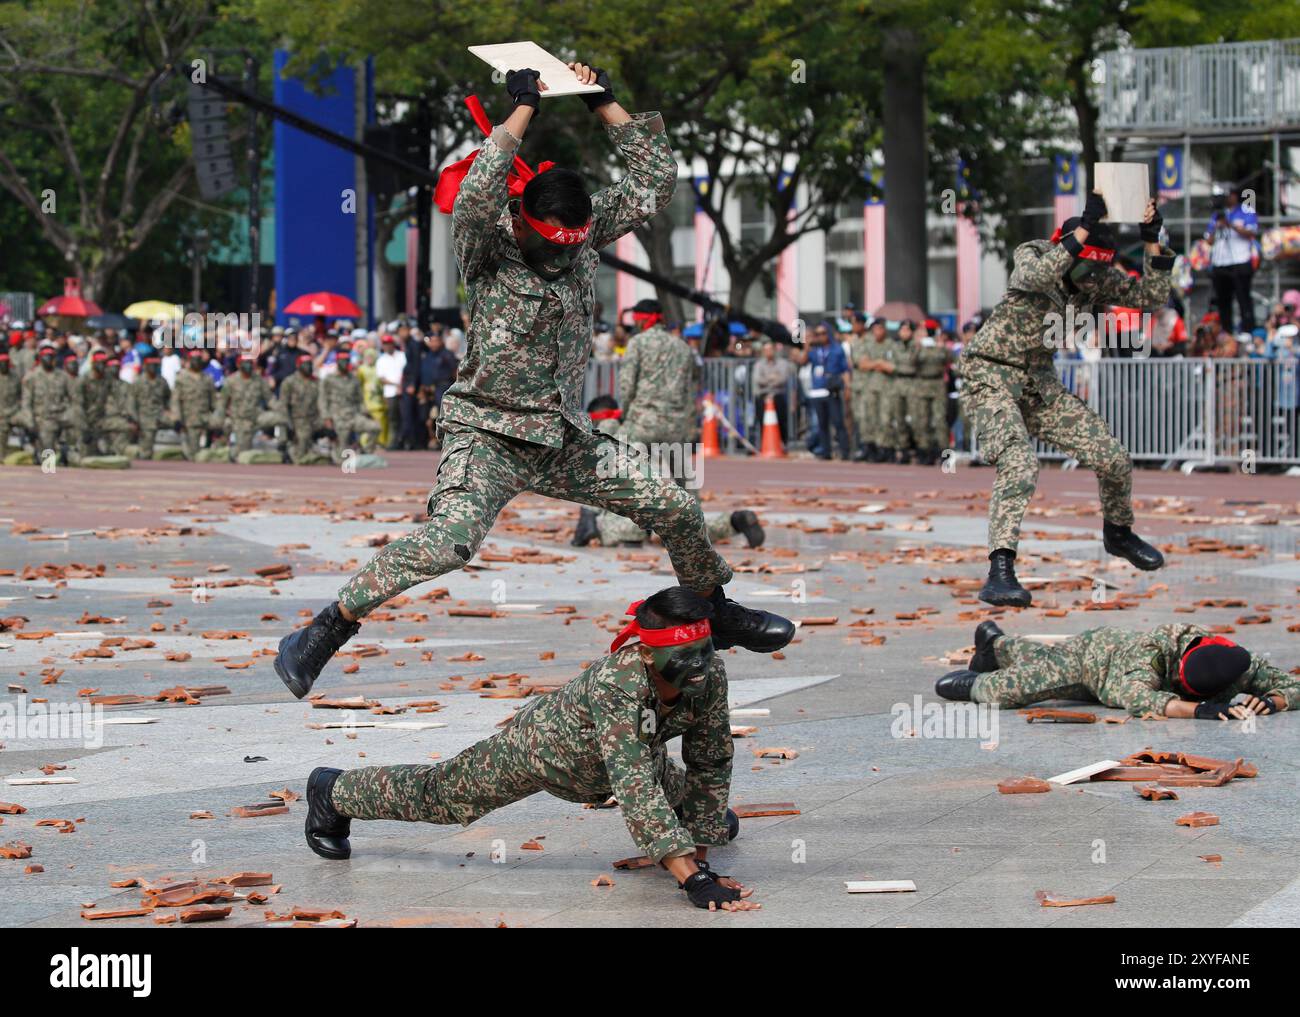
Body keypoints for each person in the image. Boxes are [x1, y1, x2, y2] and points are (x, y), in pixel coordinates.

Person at [273, 61, 793, 700]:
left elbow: (655, 181)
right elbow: (474, 194)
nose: (559, 257)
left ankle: (716, 610)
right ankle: (322, 632)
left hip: (560, 435)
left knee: (674, 504)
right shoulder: (488, 244)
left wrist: (603, 102)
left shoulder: (580, 236)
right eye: (548, 245)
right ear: (522, 221)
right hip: (486, 431)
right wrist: (522, 108)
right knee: (449, 544)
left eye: (569, 247)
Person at [302, 586, 760, 912]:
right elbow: (634, 784)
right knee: (444, 798)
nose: (700, 666)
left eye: (705, 652)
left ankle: (691, 827)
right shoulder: (618, 684)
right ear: (645, 653)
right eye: (686, 656)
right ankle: (333, 791)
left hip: (632, 756)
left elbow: (712, 756)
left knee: (712, 819)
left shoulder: (709, 673)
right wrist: (695, 881)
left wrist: (701, 851)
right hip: (545, 753)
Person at [959, 193, 1171, 607]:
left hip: (1039, 382)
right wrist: (1081, 233)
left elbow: (1151, 298)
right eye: (1088, 267)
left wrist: (1152, 241)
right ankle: (1000, 568)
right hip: (990, 372)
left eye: (1099, 269)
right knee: (1019, 463)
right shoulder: (1035, 254)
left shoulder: (1095, 277)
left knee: (1111, 456)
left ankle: (1119, 532)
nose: (1093, 278)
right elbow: (1038, 276)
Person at [937, 621, 1296, 719]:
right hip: (1094, 661)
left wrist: (1273, 701)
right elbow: (1136, 696)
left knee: (1035, 657)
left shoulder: (1237, 663)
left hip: (1109, 669)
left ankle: (996, 645)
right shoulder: (1153, 650)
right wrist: (1199, 710)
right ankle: (976, 681)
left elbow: (1293, 685)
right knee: (1010, 691)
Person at [572, 395, 765, 549]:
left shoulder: (606, 435)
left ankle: (632, 534)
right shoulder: (657, 434)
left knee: (615, 526)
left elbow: (597, 483)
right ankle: (733, 521)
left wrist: (586, 521)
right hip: (666, 507)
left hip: (632, 516)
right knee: (687, 533)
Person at [318, 340, 380, 464]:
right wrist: (326, 417)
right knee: (341, 460)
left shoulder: (354, 379)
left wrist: (365, 413)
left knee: (375, 427)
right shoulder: (329, 379)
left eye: (347, 361)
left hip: (353, 415)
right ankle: (336, 451)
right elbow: (323, 400)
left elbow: (360, 400)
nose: (345, 364)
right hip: (338, 418)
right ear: (337, 362)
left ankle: (365, 453)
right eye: (342, 361)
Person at [1206, 188, 1258, 334]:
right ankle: (1227, 332)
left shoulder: (1246, 210)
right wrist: (1217, 226)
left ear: (1234, 195)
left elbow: (1252, 232)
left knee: (1244, 299)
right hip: (1220, 263)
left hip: (1240, 261)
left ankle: (1248, 331)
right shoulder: (1216, 215)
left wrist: (1231, 224)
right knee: (1223, 301)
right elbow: (1209, 240)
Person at [801, 322, 850, 459]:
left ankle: (845, 451)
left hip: (831, 389)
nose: (821, 336)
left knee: (838, 422)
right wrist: (807, 346)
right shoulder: (815, 351)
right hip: (817, 391)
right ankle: (826, 451)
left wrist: (847, 388)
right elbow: (802, 361)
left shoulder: (837, 349)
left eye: (823, 333)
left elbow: (845, 370)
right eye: (818, 334)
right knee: (822, 424)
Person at [18, 342, 73, 461]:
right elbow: (26, 403)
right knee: (47, 443)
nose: (48, 360)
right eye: (45, 357)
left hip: (62, 416)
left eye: (51, 357)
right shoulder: (32, 377)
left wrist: (70, 416)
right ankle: (47, 466)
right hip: (42, 418)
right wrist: (30, 423)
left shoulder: (63, 376)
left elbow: (73, 399)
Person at [219, 353, 274, 456]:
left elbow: (270, 399)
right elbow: (222, 403)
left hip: (257, 416)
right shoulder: (230, 381)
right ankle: (226, 447)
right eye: (245, 363)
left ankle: (284, 446)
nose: (248, 366)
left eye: (250, 363)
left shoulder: (259, 380)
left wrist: (281, 409)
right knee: (242, 450)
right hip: (239, 419)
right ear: (238, 365)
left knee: (282, 418)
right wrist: (223, 416)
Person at [170, 348, 217, 460]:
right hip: (189, 419)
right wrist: (177, 419)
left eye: (198, 359)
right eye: (194, 359)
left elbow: (214, 402)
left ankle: (212, 448)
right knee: (194, 455)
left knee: (226, 425)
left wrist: (217, 419)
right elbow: (175, 400)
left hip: (205, 416)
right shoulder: (181, 378)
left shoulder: (207, 378)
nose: (196, 362)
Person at [278, 353, 324, 464]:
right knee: (301, 451)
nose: (308, 367)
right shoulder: (289, 382)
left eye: (309, 364)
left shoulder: (317, 382)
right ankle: (290, 449)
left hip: (314, 419)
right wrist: (288, 423)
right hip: (297, 419)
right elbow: (283, 405)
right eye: (305, 364)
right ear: (298, 366)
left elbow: (322, 403)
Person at [752, 339, 793, 441]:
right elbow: (758, 380)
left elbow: (782, 379)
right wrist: (773, 378)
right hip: (763, 395)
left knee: (781, 420)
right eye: (766, 350)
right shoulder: (759, 364)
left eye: (770, 349)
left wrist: (767, 380)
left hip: (778, 395)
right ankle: (764, 442)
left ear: (774, 350)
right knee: (762, 419)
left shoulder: (782, 363)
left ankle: (783, 442)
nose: (768, 352)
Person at [131, 354, 171, 459]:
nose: (153, 367)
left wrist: (170, 412)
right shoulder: (138, 381)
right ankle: (144, 456)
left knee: (185, 423)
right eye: (150, 365)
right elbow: (131, 402)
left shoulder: (162, 381)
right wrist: (135, 419)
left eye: (155, 365)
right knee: (146, 448)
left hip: (161, 413)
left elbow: (169, 398)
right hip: (145, 416)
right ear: (145, 366)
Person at [375, 333, 406, 449]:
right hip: (390, 393)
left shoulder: (402, 355)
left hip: (403, 391)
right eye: (385, 344)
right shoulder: (381, 360)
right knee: (393, 419)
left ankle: (403, 440)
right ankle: (393, 441)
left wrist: (401, 385)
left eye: (389, 344)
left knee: (405, 416)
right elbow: (382, 379)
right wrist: (396, 385)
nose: (387, 346)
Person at [0, 349, 21, 450]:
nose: (4, 365)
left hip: (14, 412)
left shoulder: (15, 378)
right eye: (1, 363)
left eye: (6, 363)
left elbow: (21, 396)